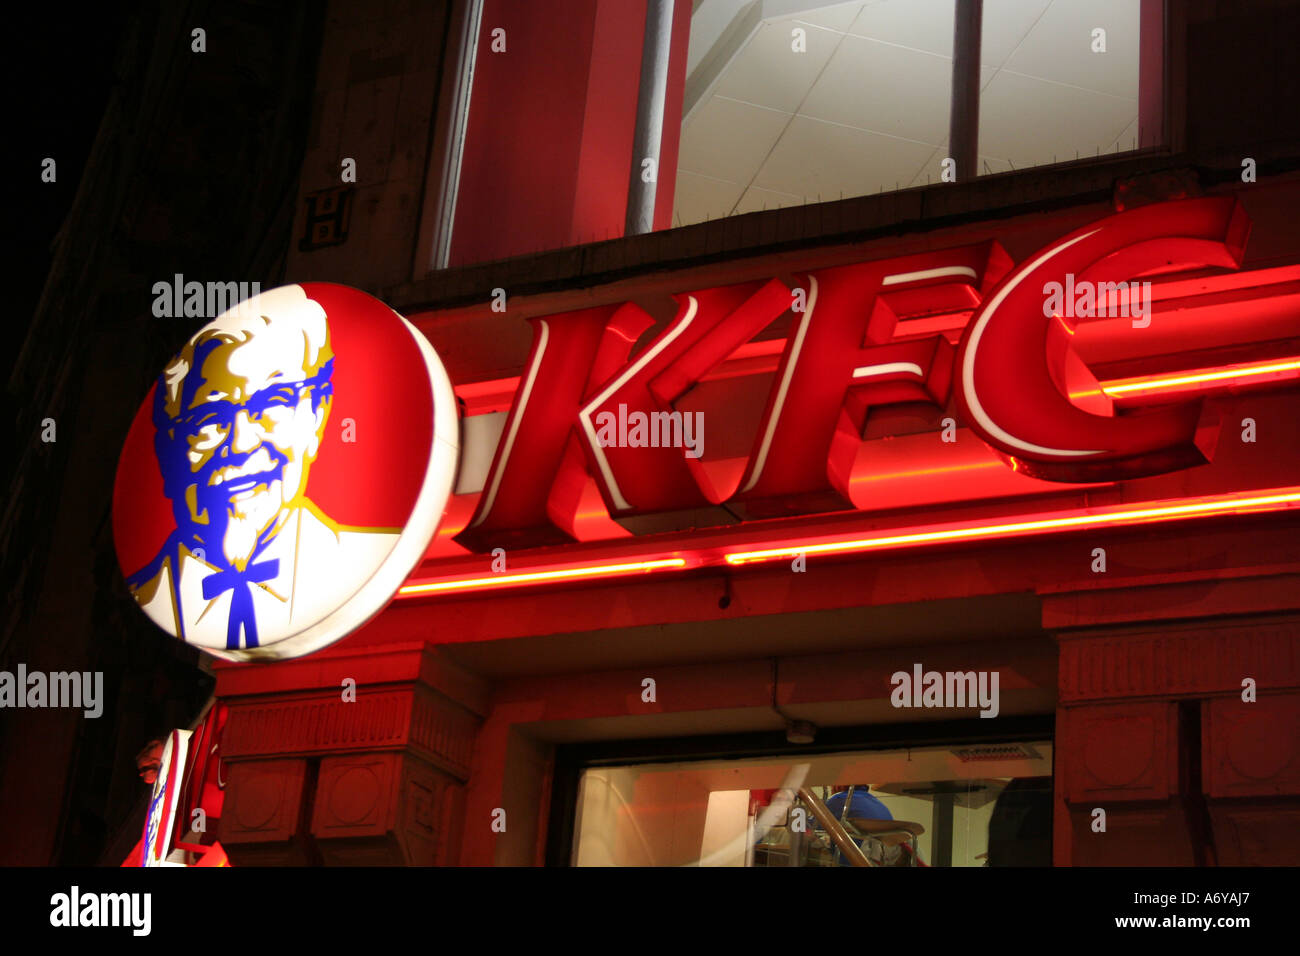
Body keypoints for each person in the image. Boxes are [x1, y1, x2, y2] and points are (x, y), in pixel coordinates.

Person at [126, 286, 398, 653]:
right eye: (210, 418)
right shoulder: (147, 606)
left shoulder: (374, 559)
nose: (240, 444)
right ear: (170, 449)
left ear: (316, 419)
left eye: (273, 402)